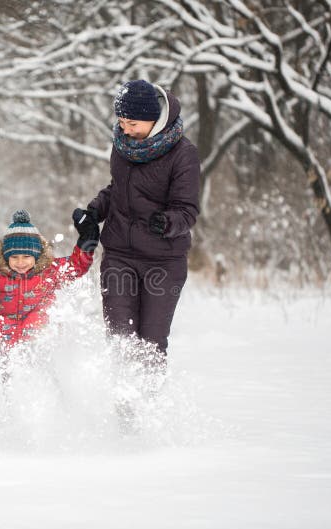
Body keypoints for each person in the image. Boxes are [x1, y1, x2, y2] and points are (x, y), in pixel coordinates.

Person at [74, 80, 200, 365]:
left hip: (163, 261)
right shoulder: (122, 147)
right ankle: (122, 406)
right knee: (120, 340)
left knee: (151, 345)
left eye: (132, 123)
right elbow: (118, 189)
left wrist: (167, 222)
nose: (126, 130)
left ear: (154, 120)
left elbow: (187, 210)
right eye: (121, 122)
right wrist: (94, 212)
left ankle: (148, 407)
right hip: (119, 256)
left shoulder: (183, 154)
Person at [0, 209, 98, 381]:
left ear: (37, 255)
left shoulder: (50, 271)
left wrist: (87, 240)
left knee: (41, 379)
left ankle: (52, 398)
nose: (20, 262)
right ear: (6, 257)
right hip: (4, 345)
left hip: (40, 342)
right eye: (14, 257)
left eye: (26, 256)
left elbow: (77, 266)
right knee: (8, 385)